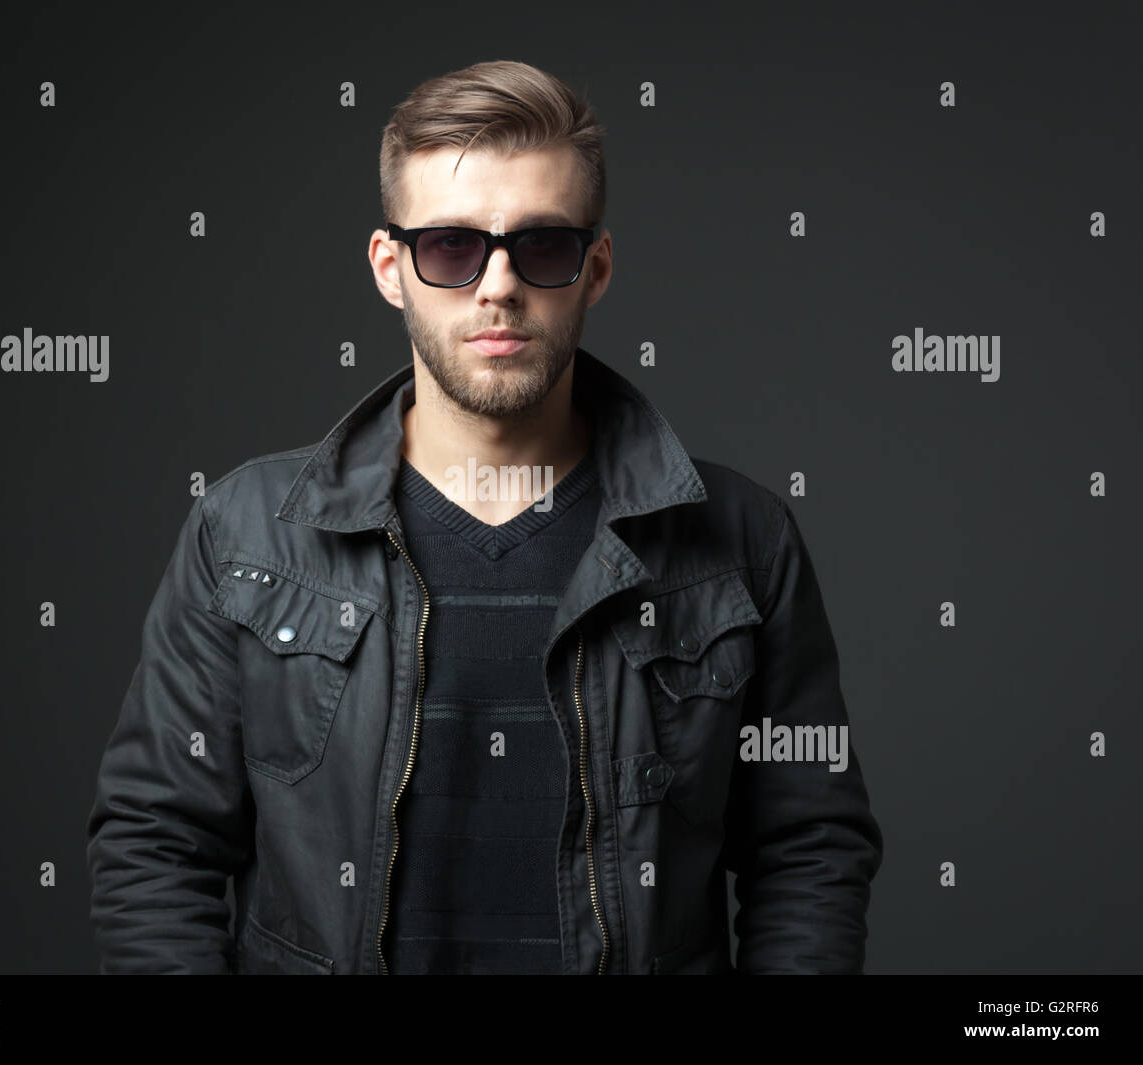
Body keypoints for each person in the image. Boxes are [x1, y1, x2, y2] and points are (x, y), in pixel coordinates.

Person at [86, 59, 883, 975]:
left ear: (596, 268)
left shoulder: (740, 541)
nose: (497, 285)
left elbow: (809, 851)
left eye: (541, 246)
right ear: (391, 269)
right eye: (452, 248)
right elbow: (156, 844)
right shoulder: (246, 535)